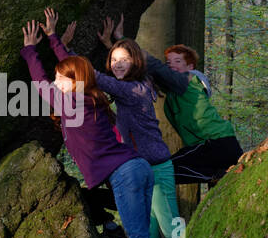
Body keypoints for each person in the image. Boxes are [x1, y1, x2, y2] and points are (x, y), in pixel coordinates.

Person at [20, 20, 161, 238]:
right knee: (143, 235)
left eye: (61, 78)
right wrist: (53, 39)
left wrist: (30, 49)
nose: (57, 81)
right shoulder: (92, 98)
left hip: (125, 174)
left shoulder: (71, 102)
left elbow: (41, 83)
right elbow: (79, 69)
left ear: (74, 82)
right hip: (138, 168)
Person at [42, 8, 180, 238]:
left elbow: (84, 75)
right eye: (113, 58)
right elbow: (83, 77)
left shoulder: (135, 90)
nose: (116, 63)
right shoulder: (129, 86)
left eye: (123, 59)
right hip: (137, 168)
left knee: (172, 231)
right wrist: (113, 40)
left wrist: (54, 40)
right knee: (147, 235)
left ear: (136, 61)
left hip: (157, 167)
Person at [100, 19, 243, 186]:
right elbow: (134, 70)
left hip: (216, 143)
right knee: (168, 175)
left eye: (177, 61)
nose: (171, 66)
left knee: (164, 170)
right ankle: (217, 176)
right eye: (169, 62)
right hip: (210, 147)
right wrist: (110, 46)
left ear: (190, 66)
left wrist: (121, 39)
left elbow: (154, 66)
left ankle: (216, 175)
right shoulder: (174, 91)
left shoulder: (188, 81)